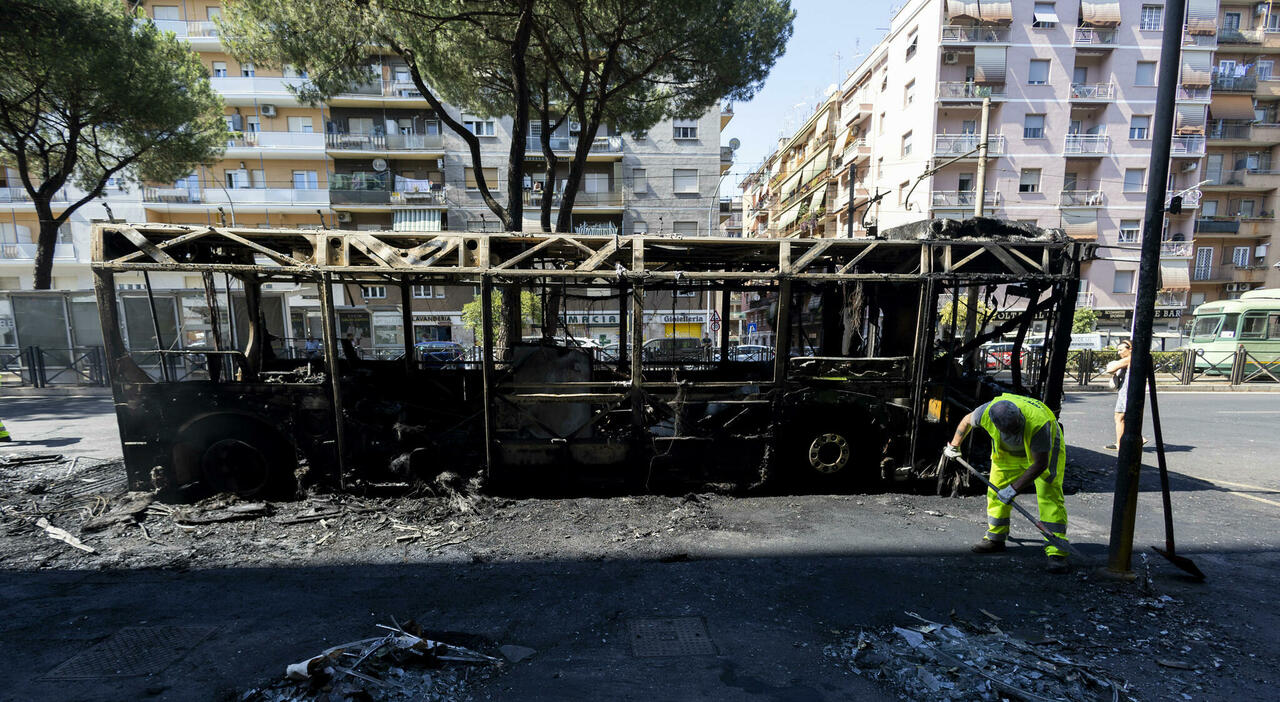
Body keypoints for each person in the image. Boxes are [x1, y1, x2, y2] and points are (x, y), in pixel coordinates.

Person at [943, 394, 1070, 574]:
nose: (1014, 432)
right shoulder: (985, 413)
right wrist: (954, 446)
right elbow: (966, 421)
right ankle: (995, 538)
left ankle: (1056, 551)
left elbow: (1040, 464)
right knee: (995, 492)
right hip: (1007, 454)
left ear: (1019, 417)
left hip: (1045, 449)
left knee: (1049, 494)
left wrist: (1014, 489)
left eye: (1016, 428)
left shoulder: (1038, 425)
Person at [1103, 340, 1147, 451]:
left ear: (1130, 349)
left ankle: (1120, 444)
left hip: (1127, 391)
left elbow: (1110, 369)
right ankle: (1138, 438)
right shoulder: (1136, 359)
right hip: (1130, 391)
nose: (1119, 352)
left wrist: (1114, 365)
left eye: (1121, 350)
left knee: (1119, 416)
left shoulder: (1129, 359)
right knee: (1125, 417)